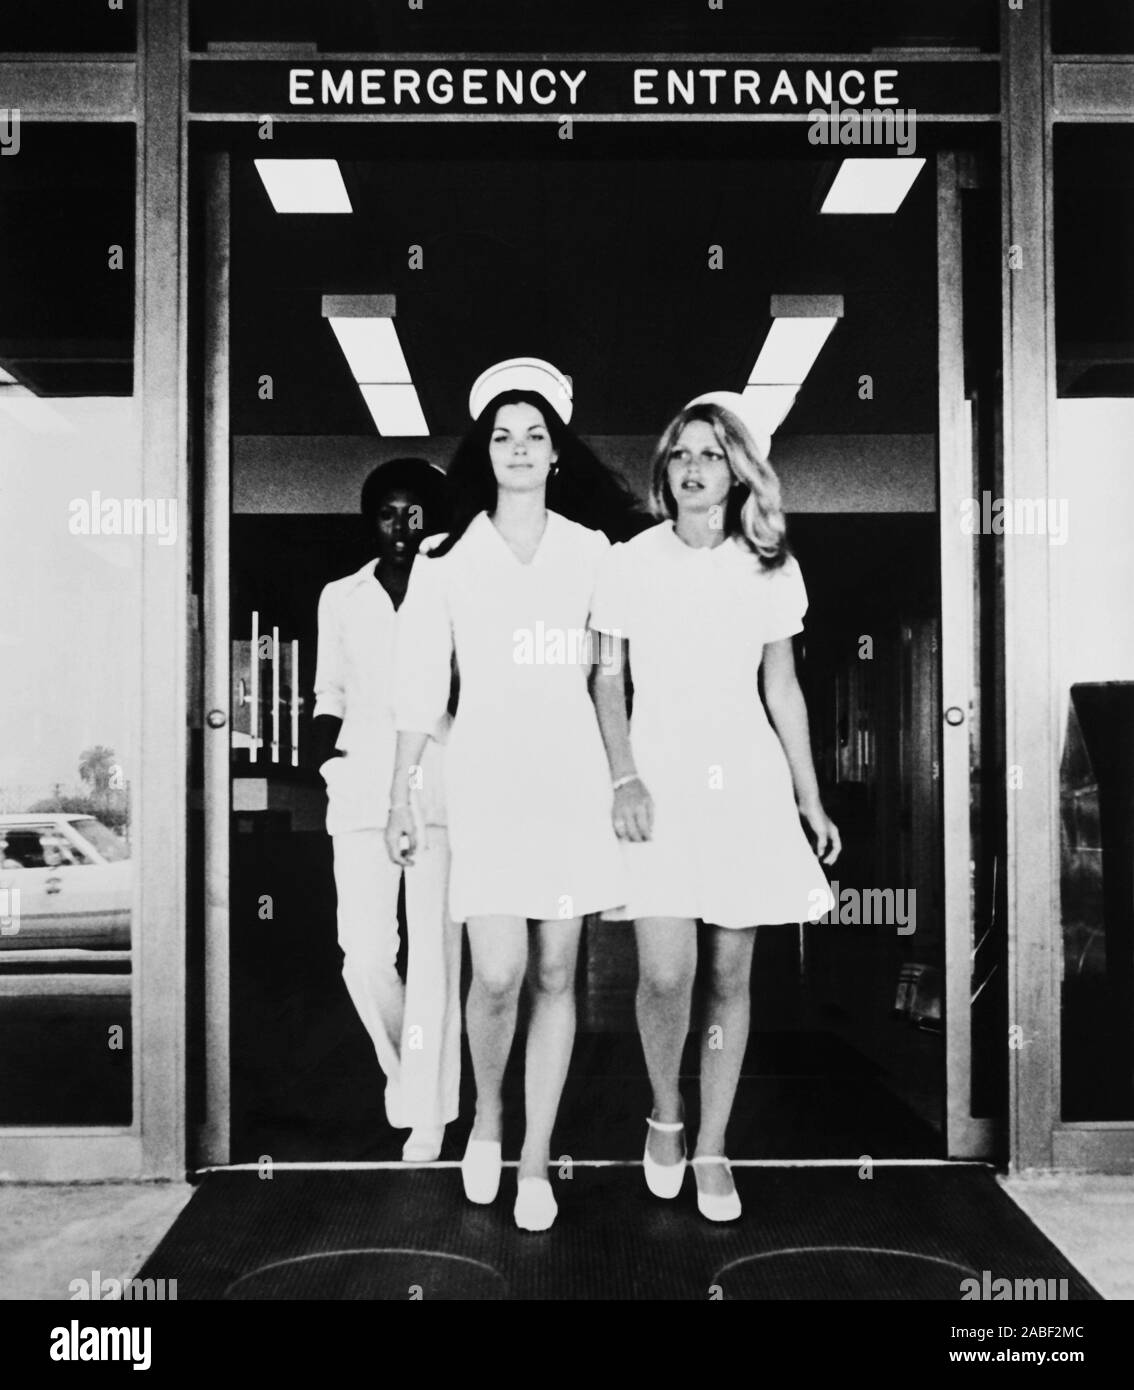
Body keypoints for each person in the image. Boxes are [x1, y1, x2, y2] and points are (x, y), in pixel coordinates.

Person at [385, 357, 642, 1231]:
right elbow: (420, 684)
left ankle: (535, 1158)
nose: (520, 448)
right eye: (503, 435)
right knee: (495, 972)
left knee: (558, 970)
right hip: (487, 774)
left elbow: (611, 676)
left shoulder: (594, 553)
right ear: (484, 453)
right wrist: (399, 795)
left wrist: (623, 776)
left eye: (536, 435)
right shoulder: (444, 555)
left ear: (557, 453)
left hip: (569, 776)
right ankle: (486, 1118)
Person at [589, 392, 840, 1222]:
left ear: (739, 470)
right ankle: (665, 1111)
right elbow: (608, 678)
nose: (692, 468)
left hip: (746, 781)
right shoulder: (630, 560)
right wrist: (625, 777)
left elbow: (783, 686)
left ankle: (713, 1146)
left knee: (731, 974)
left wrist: (809, 799)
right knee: (666, 972)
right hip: (656, 777)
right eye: (680, 454)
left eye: (708, 454)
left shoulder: (770, 565)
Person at [313, 457, 461, 1164]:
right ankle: (409, 1075)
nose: (401, 527)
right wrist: (330, 759)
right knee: (365, 955)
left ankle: (428, 1113)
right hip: (362, 789)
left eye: (414, 512)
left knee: (433, 960)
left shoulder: (457, 588)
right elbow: (328, 692)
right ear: (370, 521)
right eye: (387, 513)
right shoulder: (339, 597)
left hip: (441, 790)